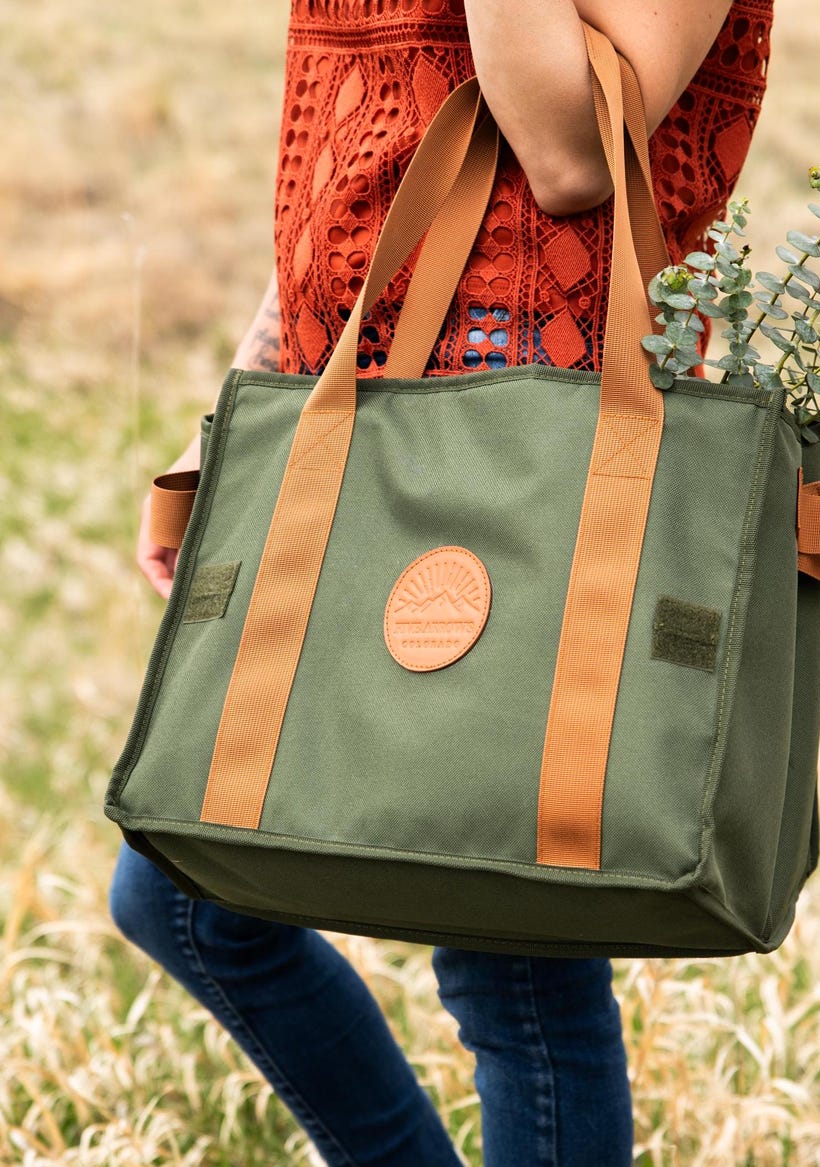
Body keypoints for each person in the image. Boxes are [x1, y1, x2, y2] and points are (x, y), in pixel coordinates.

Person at [110, 1, 773, 1163]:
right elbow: (376, 141)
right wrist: (256, 396)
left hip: (531, 429)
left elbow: (570, 155)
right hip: (362, 399)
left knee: (514, 963)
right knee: (182, 896)